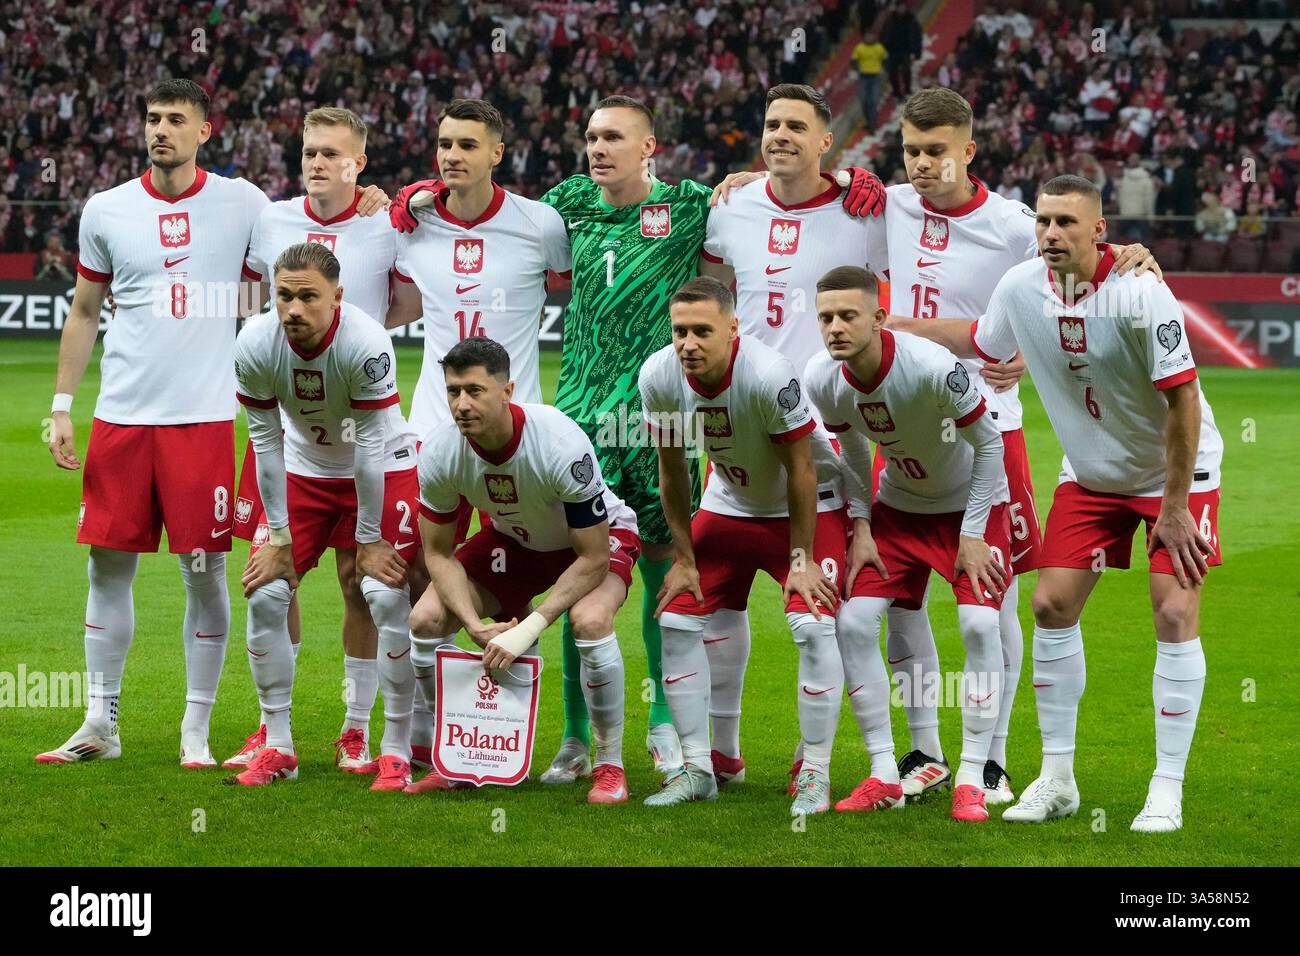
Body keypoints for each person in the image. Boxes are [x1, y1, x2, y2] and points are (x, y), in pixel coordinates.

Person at [872, 87, 1161, 804]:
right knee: (899, 600)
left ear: (969, 151)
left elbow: (1076, 261)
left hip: (985, 430)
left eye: (936, 151)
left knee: (993, 600)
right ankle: (922, 752)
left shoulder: (1011, 223)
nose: (922, 165)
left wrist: (1130, 253)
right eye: (911, 150)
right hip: (897, 424)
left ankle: (994, 757)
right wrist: (746, 177)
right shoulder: (887, 206)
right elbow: (813, 191)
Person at [927, 174, 1223, 832]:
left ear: (1099, 231)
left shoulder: (1142, 292)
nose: (1052, 233)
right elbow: (984, 341)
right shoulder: (1021, 285)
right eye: (1044, 222)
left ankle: (1165, 786)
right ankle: (1057, 778)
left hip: (1177, 475)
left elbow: (1183, 401)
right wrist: (892, 325)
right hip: (1091, 475)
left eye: (1067, 222)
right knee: (1051, 603)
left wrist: (1174, 507)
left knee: (1174, 612)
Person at [38, 79, 269, 768]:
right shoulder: (108, 210)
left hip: (200, 421)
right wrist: (60, 406)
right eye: (152, 118)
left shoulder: (242, 203)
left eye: (175, 119)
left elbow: (262, 302)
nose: (160, 129)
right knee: (107, 569)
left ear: (206, 130)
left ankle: (194, 732)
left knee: (204, 574)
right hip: (121, 418)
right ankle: (98, 724)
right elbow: (84, 313)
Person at [701, 83, 887, 789]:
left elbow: (952, 223)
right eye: (771, 124)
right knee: (717, 608)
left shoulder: (867, 211)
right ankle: (722, 753)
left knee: (830, 622)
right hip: (740, 436)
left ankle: (829, 766)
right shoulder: (730, 208)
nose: (779, 135)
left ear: (825, 142)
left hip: (829, 441)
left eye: (795, 126)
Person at [385, 97, 572, 772]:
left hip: (513, 439)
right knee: (410, 577)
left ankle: (518, 722)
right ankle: (421, 737)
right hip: (431, 430)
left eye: (468, 144)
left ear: (498, 152)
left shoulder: (540, 224)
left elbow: (591, 282)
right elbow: (393, 294)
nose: (452, 155)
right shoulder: (412, 224)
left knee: (522, 575)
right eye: (444, 144)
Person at [226, 106, 401, 773]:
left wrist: (372, 528)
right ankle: (276, 739)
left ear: (359, 161)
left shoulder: (386, 225)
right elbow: (264, 439)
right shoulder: (271, 221)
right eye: (309, 152)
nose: (318, 162)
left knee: (369, 585)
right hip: (296, 449)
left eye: (333, 152)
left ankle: (359, 732)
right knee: (270, 584)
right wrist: (273, 531)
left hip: (366, 432)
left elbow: (369, 438)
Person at [805, 266, 1010, 821]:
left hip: (972, 508)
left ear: (877, 317)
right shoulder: (823, 379)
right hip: (896, 509)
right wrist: (861, 523)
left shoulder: (932, 368)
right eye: (825, 317)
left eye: (848, 315)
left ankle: (972, 775)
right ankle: (884, 772)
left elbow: (991, 447)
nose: (836, 328)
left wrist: (971, 536)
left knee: (978, 625)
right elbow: (849, 454)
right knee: (851, 622)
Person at [406, 337, 641, 804]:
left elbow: (593, 557)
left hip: (594, 539)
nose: (461, 404)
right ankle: (451, 757)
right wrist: (474, 626)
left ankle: (610, 765)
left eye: (475, 390)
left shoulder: (558, 442)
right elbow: (437, 554)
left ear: (508, 390)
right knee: (425, 620)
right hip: (516, 542)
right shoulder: (439, 452)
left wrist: (529, 627)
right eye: (453, 391)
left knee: (590, 622)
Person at [644, 277, 845, 813]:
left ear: (733, 329)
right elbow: (672, 474)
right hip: (728, 503)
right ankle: (704, 766)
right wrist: (684, 560)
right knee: (678, 616)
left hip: (806, 506)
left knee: (813, 624)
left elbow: (802, 471)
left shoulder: (767, 374)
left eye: (702, 331)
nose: (688, 344)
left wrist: (801, 561)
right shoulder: (660, 375)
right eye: (680, 331)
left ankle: (815, 773)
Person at [852, 32, 888, 131]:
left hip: (875, 77)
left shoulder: (879, 48)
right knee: (863, 101)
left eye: (871, 36)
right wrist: (857, 70)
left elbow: (885, 59)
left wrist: (884, 70)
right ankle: (869, 121)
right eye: (868, 36)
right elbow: (854, 60)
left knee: (873, 101)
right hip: (863, 77)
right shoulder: (859, 48)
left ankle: (872, 125)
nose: (869, 38)